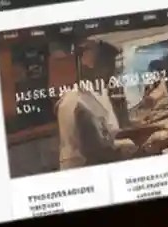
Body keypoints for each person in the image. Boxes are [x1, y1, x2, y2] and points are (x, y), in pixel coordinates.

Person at [55, 40, 137, 170]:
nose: (113, 71)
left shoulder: (96, 94)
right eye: (109, 65)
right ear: (92, 64)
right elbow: (96, 151)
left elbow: (108, 134)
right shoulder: (79, 104)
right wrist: (131, 147)